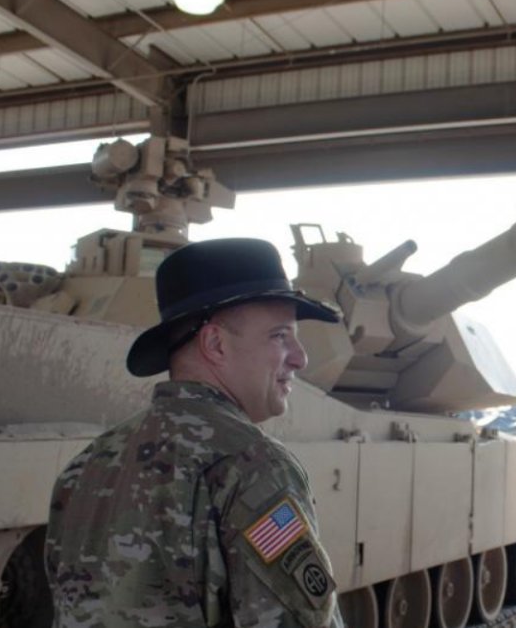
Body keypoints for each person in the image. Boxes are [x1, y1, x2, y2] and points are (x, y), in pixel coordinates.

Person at [44, 238, 347, 628]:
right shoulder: (252, 467)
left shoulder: (85, 467)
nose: (300, 357)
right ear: (215, 344)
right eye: (279, 335)